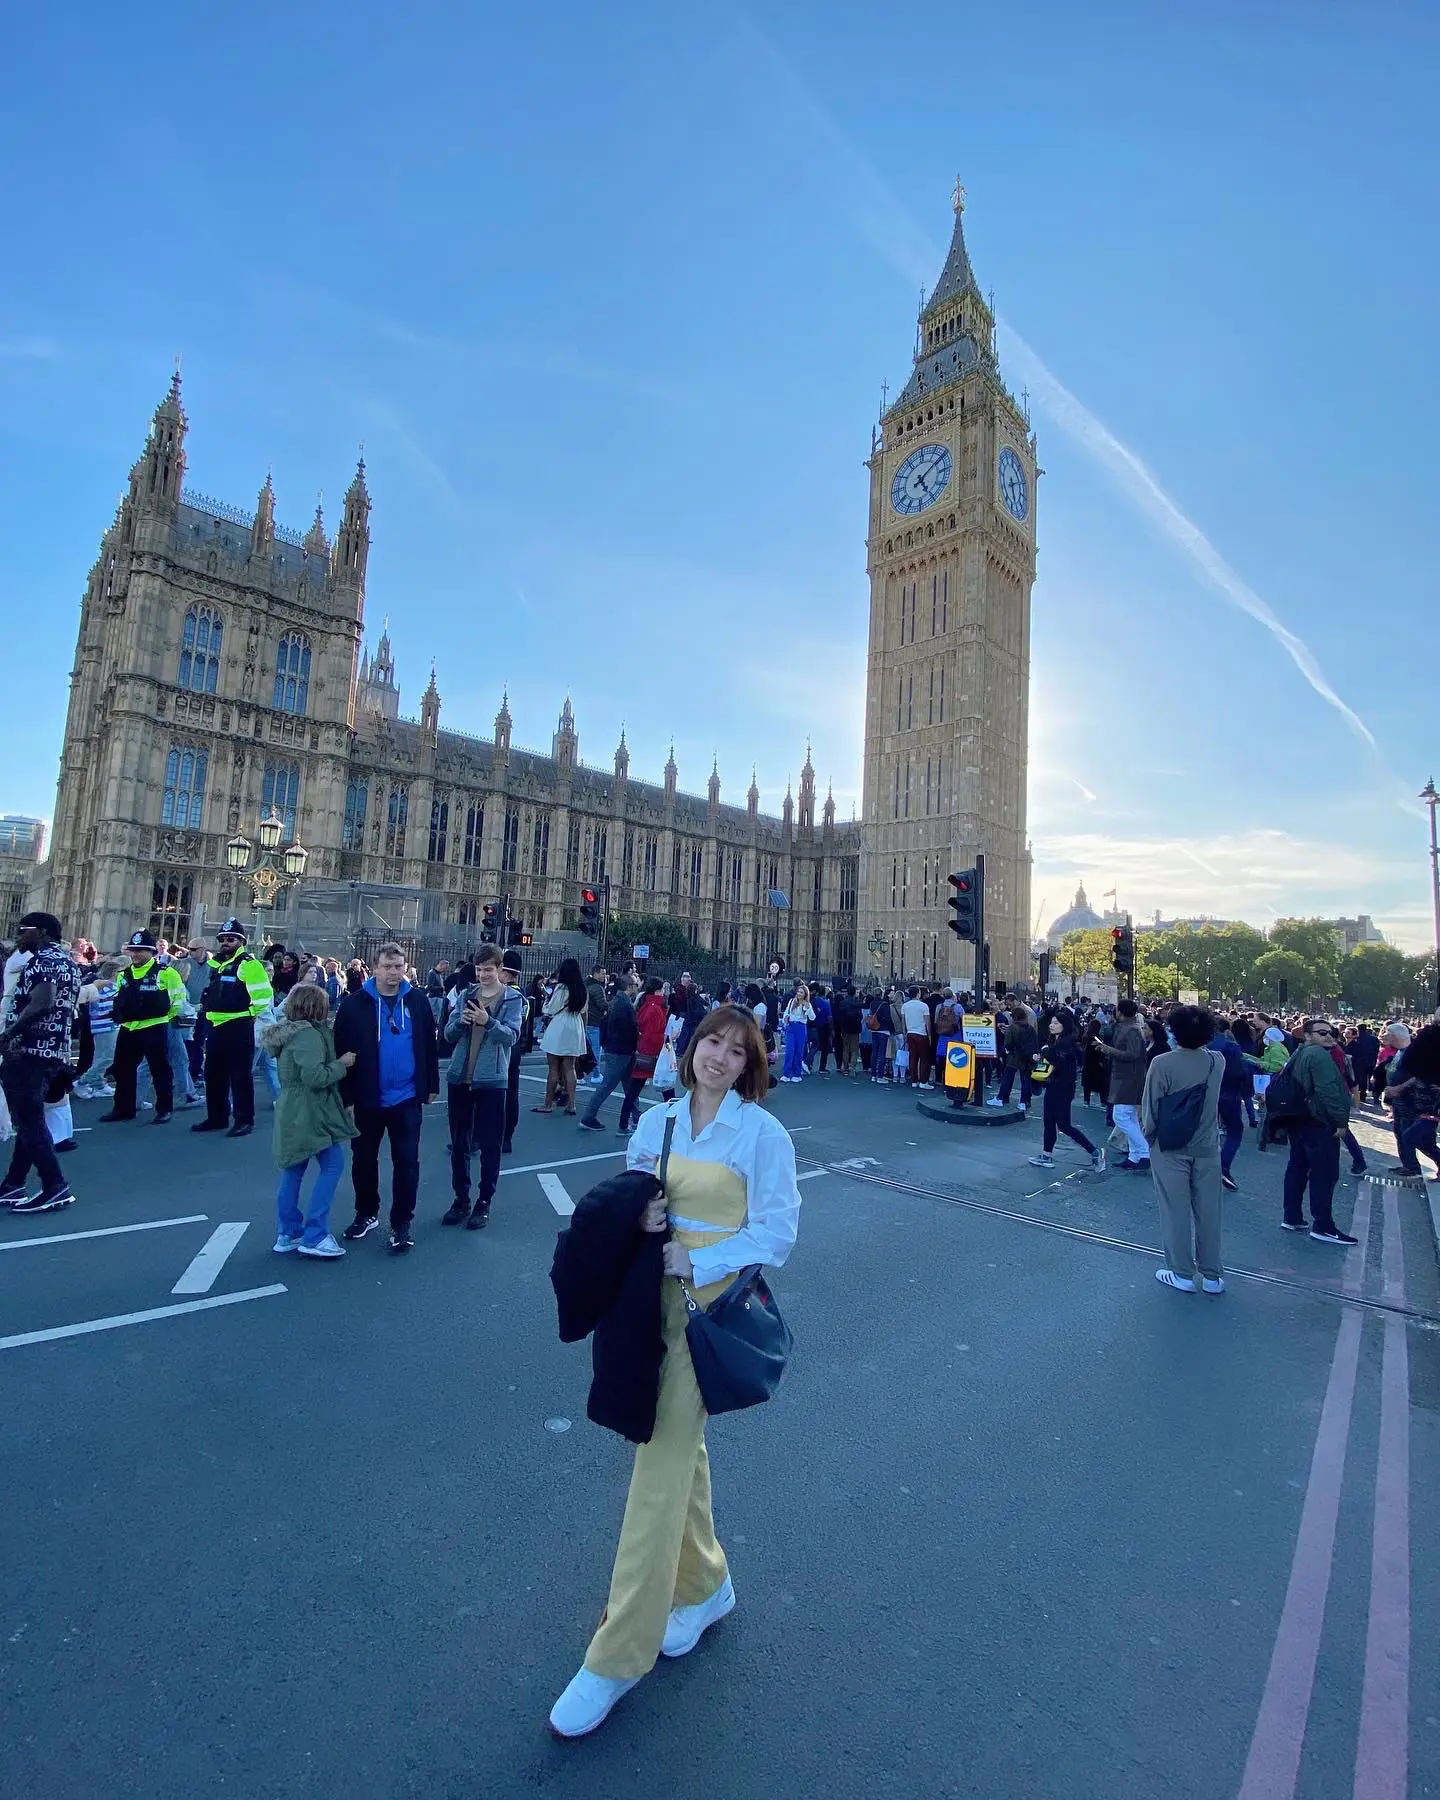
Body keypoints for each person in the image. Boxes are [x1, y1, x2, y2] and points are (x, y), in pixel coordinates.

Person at [547, 1004, 801, 1738]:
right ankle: (706, 1584)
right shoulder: (657, 1122)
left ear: (750, 1065)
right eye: (711, 1042)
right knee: (679, 1451)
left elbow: (778, 1233)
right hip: (646, 1307)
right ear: (691, 1049)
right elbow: (631, 1197)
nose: (719, 1057)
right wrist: (643, 1222)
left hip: (707, 1314)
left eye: (736, 1050)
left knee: (657, 1463)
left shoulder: (761, 1134)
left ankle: (618, 1653)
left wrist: (705, 1255)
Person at [333, 943, 440, 1254]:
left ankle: (402, 1222)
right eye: (388, 967)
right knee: (364, 1160)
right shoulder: (354, 1004)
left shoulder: (417, 1001)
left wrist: (431, 1084)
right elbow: (341, 1049)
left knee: (406, 1162)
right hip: (368, 1097)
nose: (394, 972)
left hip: (406, 1096)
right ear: (375, 968)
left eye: (399, 967)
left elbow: (428, 1045)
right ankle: (366, 1212)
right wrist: (347, 1095)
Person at [261, 983, 359, 1259]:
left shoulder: (288, 1033)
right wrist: (342, 1064)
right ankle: (315, 1234)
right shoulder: (308, 1035)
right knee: (332, 1165)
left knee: (293, 1170)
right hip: (310, 1109)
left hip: (292, 1108)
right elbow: (315, 1077)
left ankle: (289, 1231)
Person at [1139, 1005, 1225, 1294]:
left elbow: (1151, 1108)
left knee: (1174, 1210)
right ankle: (1212, 1275)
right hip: (1207, 1145)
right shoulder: (1217, 1061)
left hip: (1170, 1146)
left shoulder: (1162, 1063)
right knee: (1209, 1211)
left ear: (1174, 1031)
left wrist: (1149, 1137)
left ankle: (1182, 1272)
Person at [0, 913, 82, 1214]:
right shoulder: (68, 963)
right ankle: (13, 1184)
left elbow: (42, 1002)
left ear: (42, 932)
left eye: (24, 930)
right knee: (29, 1119)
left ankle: (54, 1185)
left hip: (29, 1051)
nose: (19, 935)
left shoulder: (43, 961)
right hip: (53, 1052)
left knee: (29, 1122)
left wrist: (8, 1034)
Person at [441, 944, 525, 1228]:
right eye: (479, 969)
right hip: (460, 1077)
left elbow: (511, 1037)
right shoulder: (466, 994)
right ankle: (461, 1199)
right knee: (459, 1143)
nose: (483, 975)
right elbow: (448, 1034)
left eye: (488, 969)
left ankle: (484, 1201)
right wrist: (462, 1022)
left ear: (499, 969)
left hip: (492, 1080)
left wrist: (488, 1021)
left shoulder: (513, 999)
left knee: (490, 1145)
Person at [192, 920, 275, 1138]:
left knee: (240, 1075)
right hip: (216, 1025)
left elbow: (263, 996)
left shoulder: (248, 965)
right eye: (223, 939)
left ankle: (244, 1120)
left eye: (231, 939)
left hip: (238, 1026)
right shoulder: (217, 965)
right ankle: (217, 1117)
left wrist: (247, 1014)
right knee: (213, 1074)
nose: (226, 942)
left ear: (241, 942)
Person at [1281, 1019, 1359, 1245]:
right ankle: (1323, 1226)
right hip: (1318, 1121)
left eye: (1331, 1032)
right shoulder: (1319, 1055)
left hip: (1299, 1118)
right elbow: (1328, 1092)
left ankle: (1292, 1217)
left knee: (1297, 1168)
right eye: (1322, 1032)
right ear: (1307, 1035)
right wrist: (1341, 1121)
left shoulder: (1300, 1052)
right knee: (1324, 1174)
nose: (1329, 1036)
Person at [98, 931, 188, 1125]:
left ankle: (164, 1110)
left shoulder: (166, 973)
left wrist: (163, 1018)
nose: (135, 954)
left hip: (153, 1028)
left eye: (140, 950)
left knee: (160, 1070)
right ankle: (123, 1109)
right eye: (133, 950)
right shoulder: (124, 974)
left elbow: (178, 1000)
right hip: (128, 1028)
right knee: (123, 1070)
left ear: (151, 952)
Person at [1028, 1008, 1105, 1172]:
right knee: (1050, 1122)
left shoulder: (1067, 1043)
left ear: (1064, 1025)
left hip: (1061, 1088)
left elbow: (1060, 1061)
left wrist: (1045, 1052)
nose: (1052, 1025)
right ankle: (1046, 1155)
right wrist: (1042, 1056)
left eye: (1056, 1023)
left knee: (1064, 1125)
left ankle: (1095, 1153)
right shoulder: (1059, 1041)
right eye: (1051, 1022)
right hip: (1055, 1086)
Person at [1094, 999, 1149, 1170]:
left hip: (1129, 1078)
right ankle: (1135, 1156)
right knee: (1129, 1116)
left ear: (1121, 1012)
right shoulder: (1130, 1028)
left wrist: (1108, 1049)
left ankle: (1144, 1151)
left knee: (1121, 1115)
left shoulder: (1132, 1030)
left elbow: (1132, 1054)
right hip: (1126, 1076)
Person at [581, 972, 639, 1130]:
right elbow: (630, 1030)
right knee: (609, 1085)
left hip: (615, 1048)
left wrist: (605, 1043)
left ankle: (636, 1116)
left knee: (628, 1085)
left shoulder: (614, 1002)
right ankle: (588, 1116)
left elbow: (604, 1023)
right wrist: (635, 1045)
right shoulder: (625, 1005)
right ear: (630, 986)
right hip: (621, 1050)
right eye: (635, 984)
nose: (637, 986)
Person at [535, 958, 588, 1115]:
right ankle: (572, 1104)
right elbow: (583, 1010)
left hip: (559, 1025)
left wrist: (546, 1002)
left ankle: (548, 1104)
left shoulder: (561, 988)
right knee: (570, 1067)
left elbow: (551, 1009)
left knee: (553, 1068)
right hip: (575, 1024)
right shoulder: (582, 989)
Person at [620, 977, 668, 1134]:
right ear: (657, 991)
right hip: (653, 1053)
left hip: (643, 1052)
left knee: (634, 1090)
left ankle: (623, 1123)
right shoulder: (656, 1009)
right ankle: (675, 1121)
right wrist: (666, 1040)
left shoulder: (646, 1005)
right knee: (667, 1086)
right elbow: (655, 1035)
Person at [1208, 1016, 1251, 1192]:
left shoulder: (1204, 1045)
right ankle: (1223, 1166)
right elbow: (1238, 1072)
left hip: (1207, 1092)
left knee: (1205, 1131)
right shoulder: (1231, 1046)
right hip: (1228, 1093)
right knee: (1234, 1131)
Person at [72, 960, 122, 1100]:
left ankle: (98, 1084)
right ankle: (82, 1082)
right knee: (107, 1057)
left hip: (100, 1026)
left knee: (100, 1057)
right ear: (114, 973)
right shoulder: (110, 987)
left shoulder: (100, 987)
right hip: (107, 1025)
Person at [500, 948, 527, 1154]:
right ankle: (507, 1136)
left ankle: (478, 1137)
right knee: (511, 1094)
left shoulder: (509, 995)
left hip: (504, 1047)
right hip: (515, 1049)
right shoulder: (522, 995)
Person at [990, 1002, 1039, 1113]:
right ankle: (1023, 1102)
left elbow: (1008, 1044)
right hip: (1027, 1058)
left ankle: (1001, 1098)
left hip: (1014, 1057)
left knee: (1008, 1078)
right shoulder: (1030, 1028)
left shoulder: (1013, 1027)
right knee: (1025, 1080)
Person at [179, 940, 212, 1088]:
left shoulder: (212, 965)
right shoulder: (185, 963)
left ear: (203, 949)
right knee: (186, 1043)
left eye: (193, 949)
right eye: (189, 949)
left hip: (203, 1010)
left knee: (199, 1042)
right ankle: (184, 1074)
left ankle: (196, 1072)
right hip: (186, 1009)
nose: (190, 952)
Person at [779, 983, 815, 1083]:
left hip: (801, 1028)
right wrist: (785, 1019)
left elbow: (812, 1017)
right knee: (789, 1050)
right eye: (798, 991)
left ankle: (796, 1074)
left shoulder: (807, 1004)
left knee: (798, 1051)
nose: (799, 994)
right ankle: (786, 1074)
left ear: (805, 994)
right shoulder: (792, 1001)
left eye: (801, 992)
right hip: (791, 1027)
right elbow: (786, 1012)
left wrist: (808, 1007)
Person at [899, 985, 934, 1087]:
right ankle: (923, 1081)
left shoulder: (905, 1006)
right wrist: (930, 1035)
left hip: (910, 1033)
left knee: (912, 1057)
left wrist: (904, 1032)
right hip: (921, 1033)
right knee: (924, 1058)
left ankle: (914, 1080)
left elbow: (903, 1021)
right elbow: (927, 1022)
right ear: (918, 994)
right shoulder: (924, 1006)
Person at [584, 967, 610, 1085]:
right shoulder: (597, 988)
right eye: (602, 973)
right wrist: (610, 1005)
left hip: (586, 1021)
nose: (604, 976)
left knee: (585, 1049)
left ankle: (580, 1075)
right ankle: (596, 1074)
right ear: (595, 974)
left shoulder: (586, 985)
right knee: (595, 1050)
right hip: (595, 1021)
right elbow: (602, 1005)